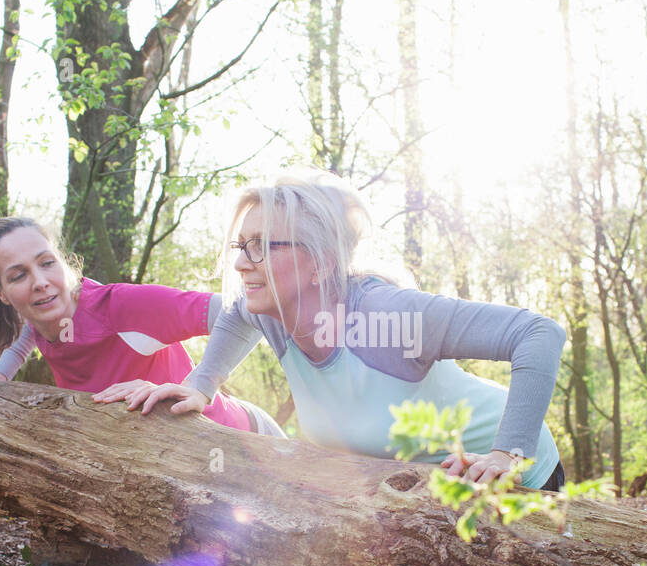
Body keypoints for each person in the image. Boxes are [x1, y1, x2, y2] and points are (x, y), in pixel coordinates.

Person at [130, 172, 567, 489]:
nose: (242, 262)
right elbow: (236, 315)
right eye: (240, 246)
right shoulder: (273, 309)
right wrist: (200, 386)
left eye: (261, 247)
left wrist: (509, 452)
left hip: (510, 477)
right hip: (414, 491)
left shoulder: (389, 317)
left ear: (320, 262)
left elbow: (538, 334)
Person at [0, 216, 283, 437]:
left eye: (47, 263)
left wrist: (197, 386)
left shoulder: (120, 307)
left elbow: (249, 311)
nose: (40, 282)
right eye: (19, 275)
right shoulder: (40, 322)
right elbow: (20, 345)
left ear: (62, 263)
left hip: (247, 441)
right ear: (1, 293)